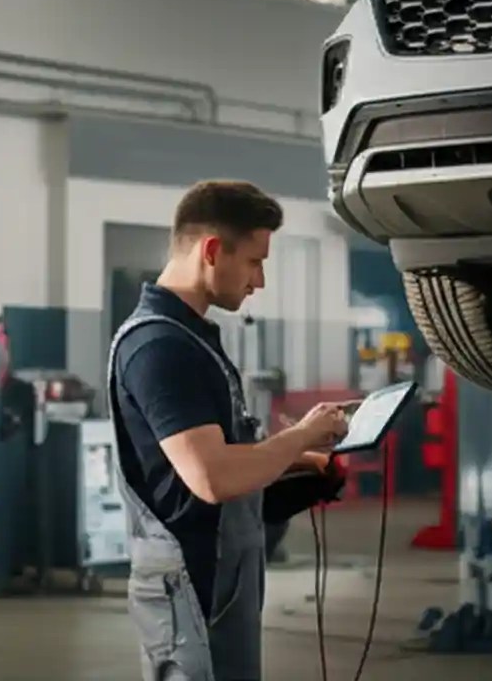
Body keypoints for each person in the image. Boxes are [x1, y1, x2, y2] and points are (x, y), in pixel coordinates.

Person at [106, 179, 351, 680]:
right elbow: (211, 477)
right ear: (213, 251)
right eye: (255, 261)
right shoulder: (160, 348)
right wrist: (301, 435)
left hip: (218, 577)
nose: (259, 280)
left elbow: (217, 458)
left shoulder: (192, 339)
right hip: (190, 586)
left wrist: (299, 464)